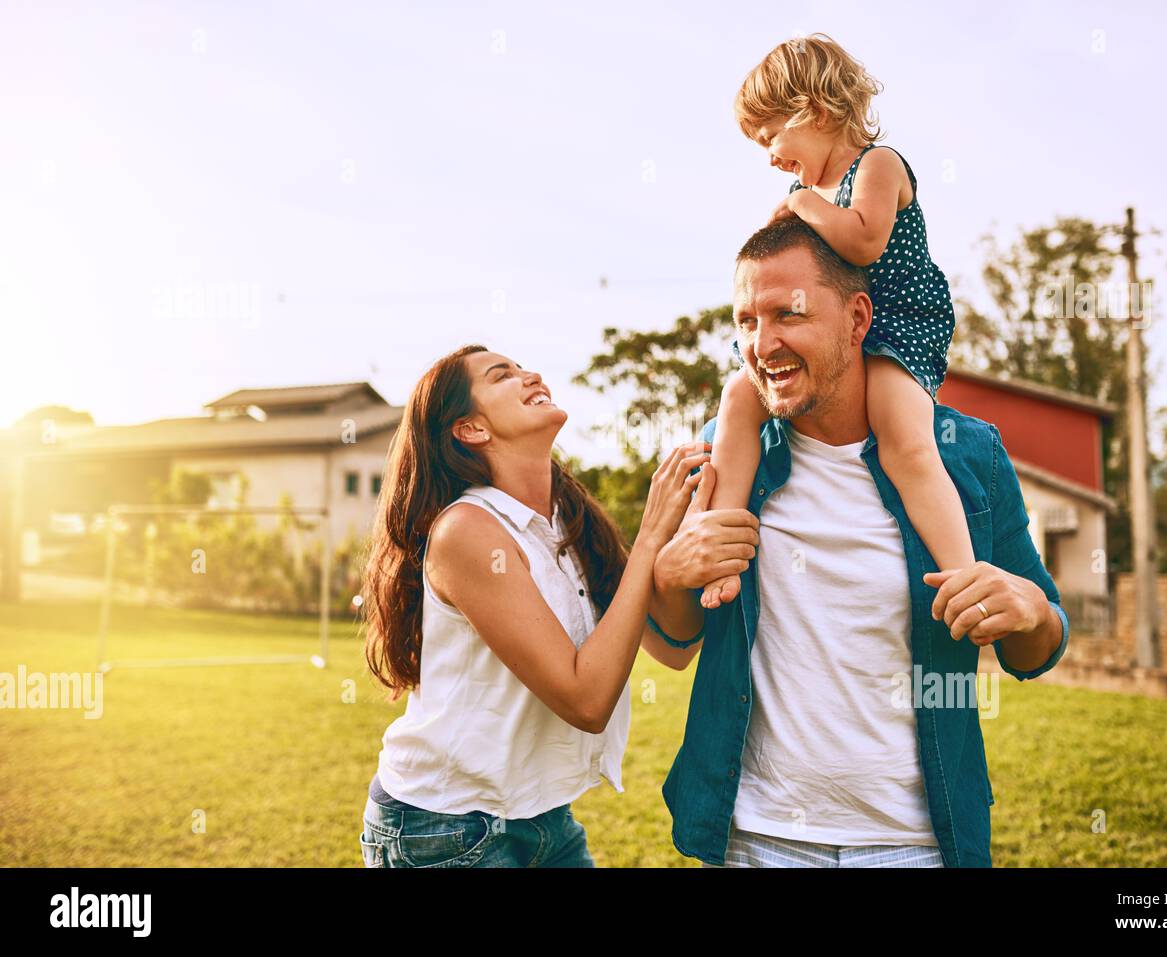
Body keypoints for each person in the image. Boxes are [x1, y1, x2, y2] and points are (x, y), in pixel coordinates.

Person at [645, 219, 1070, 867]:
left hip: (918, 844)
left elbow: (1036, 649)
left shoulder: (967, 455)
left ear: (857, 316)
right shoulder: (728, 450)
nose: (762, 344)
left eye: (788, 314)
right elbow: (676, 639)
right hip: (758, 838)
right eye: (745, 321)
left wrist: (1031, 608)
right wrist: (670, 572)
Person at [358, 344, 708, 867]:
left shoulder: (571, 519)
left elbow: (674, 645)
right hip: (442, 828)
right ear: (471, 429)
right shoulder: (468, 532)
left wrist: (678, 561)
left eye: (522, 368)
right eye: (503, 375)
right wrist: (653, 536)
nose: (530, 375)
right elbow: (586, 701)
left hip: (542, 815)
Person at [700, 32, 974, 610]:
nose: (771, 156)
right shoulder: (807, 189)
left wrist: (802, 205)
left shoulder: (877, 165)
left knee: (904, 438)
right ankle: (719, 547)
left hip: (896, 321)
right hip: (826, 327)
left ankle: (964, 574)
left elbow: (866, 241)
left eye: (772, 136)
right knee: (736, 403)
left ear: (817, 111)